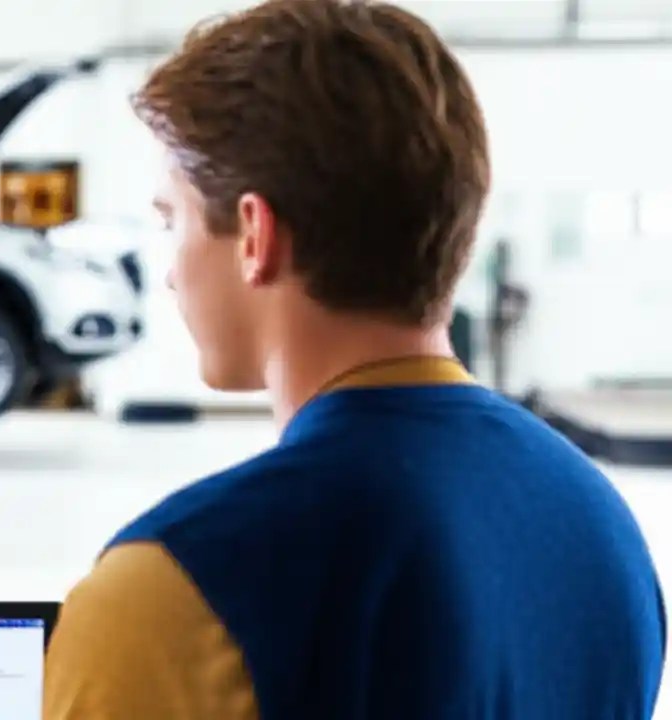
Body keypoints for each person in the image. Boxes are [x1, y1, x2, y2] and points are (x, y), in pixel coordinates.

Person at [43, 2, 666, 718]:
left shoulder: (174, 595)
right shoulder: (601, 528)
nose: (169, 272)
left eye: (170, 220)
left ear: (254, 236)